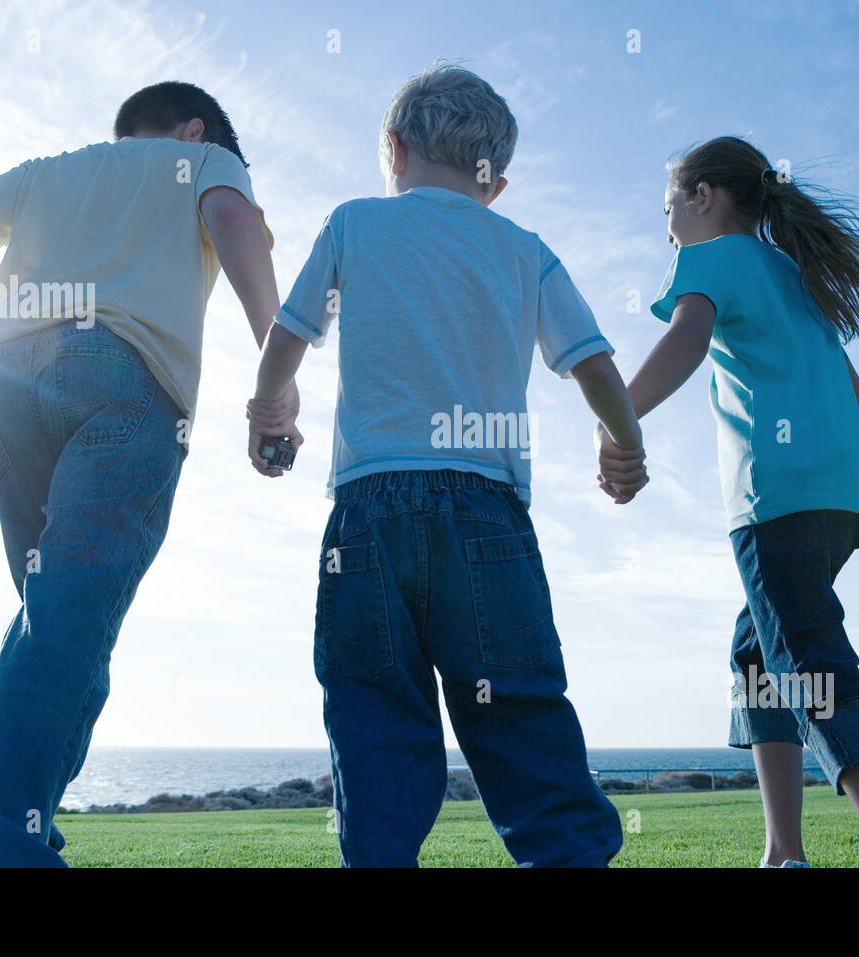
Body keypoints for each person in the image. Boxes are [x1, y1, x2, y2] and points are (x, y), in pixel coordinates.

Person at [246, 63, 641, 867]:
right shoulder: (524, 250)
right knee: (521, 717)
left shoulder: (355, 224)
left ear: (394, 148)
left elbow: (287, 338)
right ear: (495, 181)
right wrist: (623, 444)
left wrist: (269, 408)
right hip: (486, 514)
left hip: (364, 516)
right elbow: (594, 365)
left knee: (375, 720)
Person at [0, 81, 288, 866]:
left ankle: (26, 825)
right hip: (125, 377)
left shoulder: (49, 170)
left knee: (60, 619)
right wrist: (279, 375)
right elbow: (235, 220)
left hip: (5, 383)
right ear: (194, 132)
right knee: (70, 616)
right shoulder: (204, 161)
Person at [599, 135, 859, 867]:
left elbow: (688, 338)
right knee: (758, 651)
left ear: (703, 198)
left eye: (668, 206)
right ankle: (783, 852)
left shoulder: (716, 256)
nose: (665, 226)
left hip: (777, 503)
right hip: (839, 504)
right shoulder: (795, 279)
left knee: (813, 669)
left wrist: (618, 419)